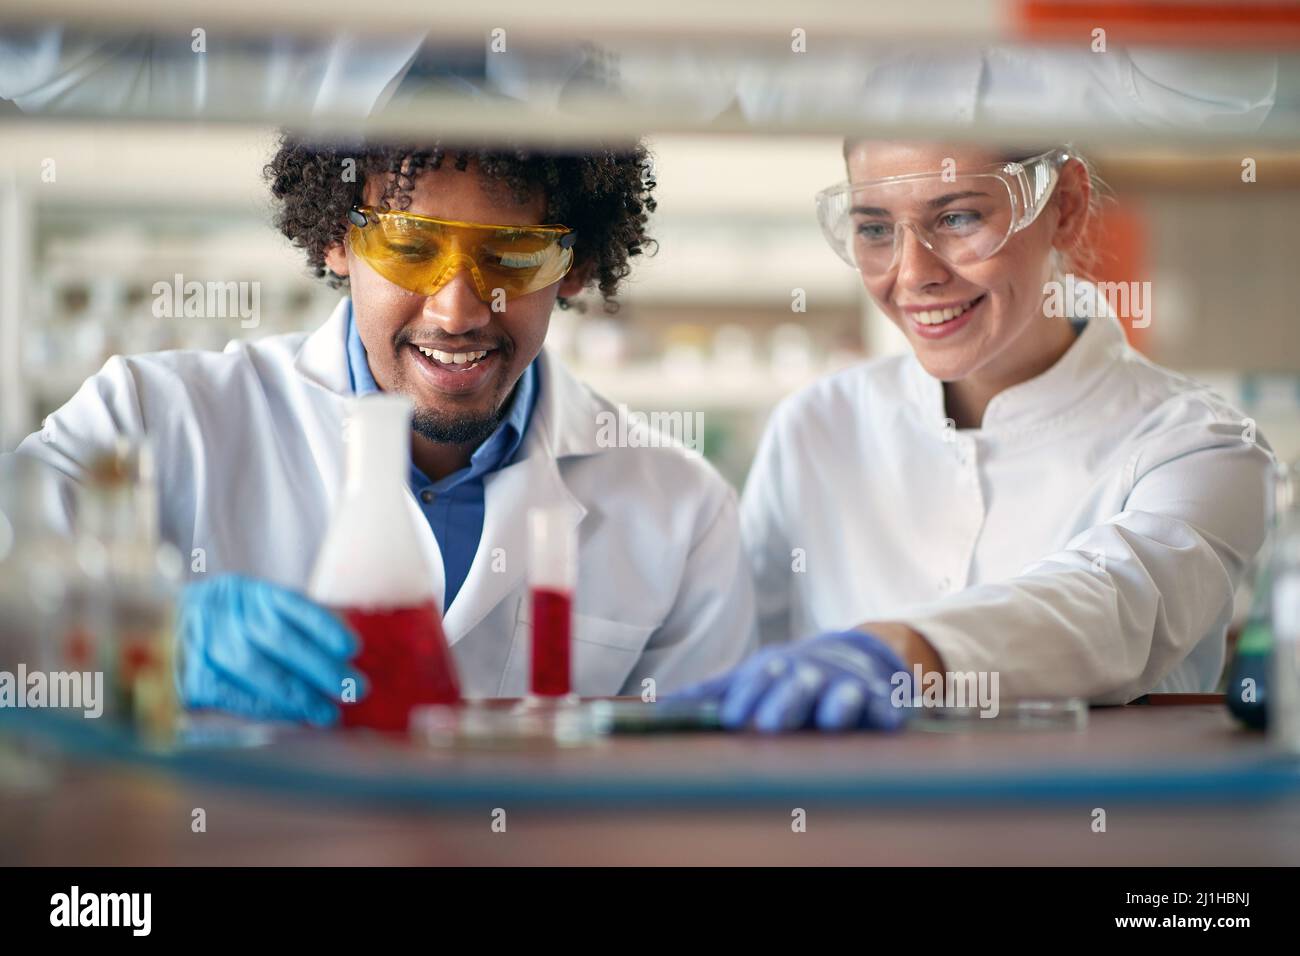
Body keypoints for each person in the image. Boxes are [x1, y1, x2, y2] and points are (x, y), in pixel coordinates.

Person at [14, 133, 755, 724]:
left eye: (513, 254)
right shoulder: (150, 417)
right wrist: (135, 637)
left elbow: (695, 792)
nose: (456, 311)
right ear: (338, 239)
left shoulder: (683, 513)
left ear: (573, 267)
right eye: (409, 245)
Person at [678, 142, 1272, 732]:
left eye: (958, 217)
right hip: (848, 825)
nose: (913, 275)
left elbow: (1117, 605)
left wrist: (903, 653)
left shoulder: (1203, 445)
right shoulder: (817, 425)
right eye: (876, 229)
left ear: (1063, 205)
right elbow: (743, 670)